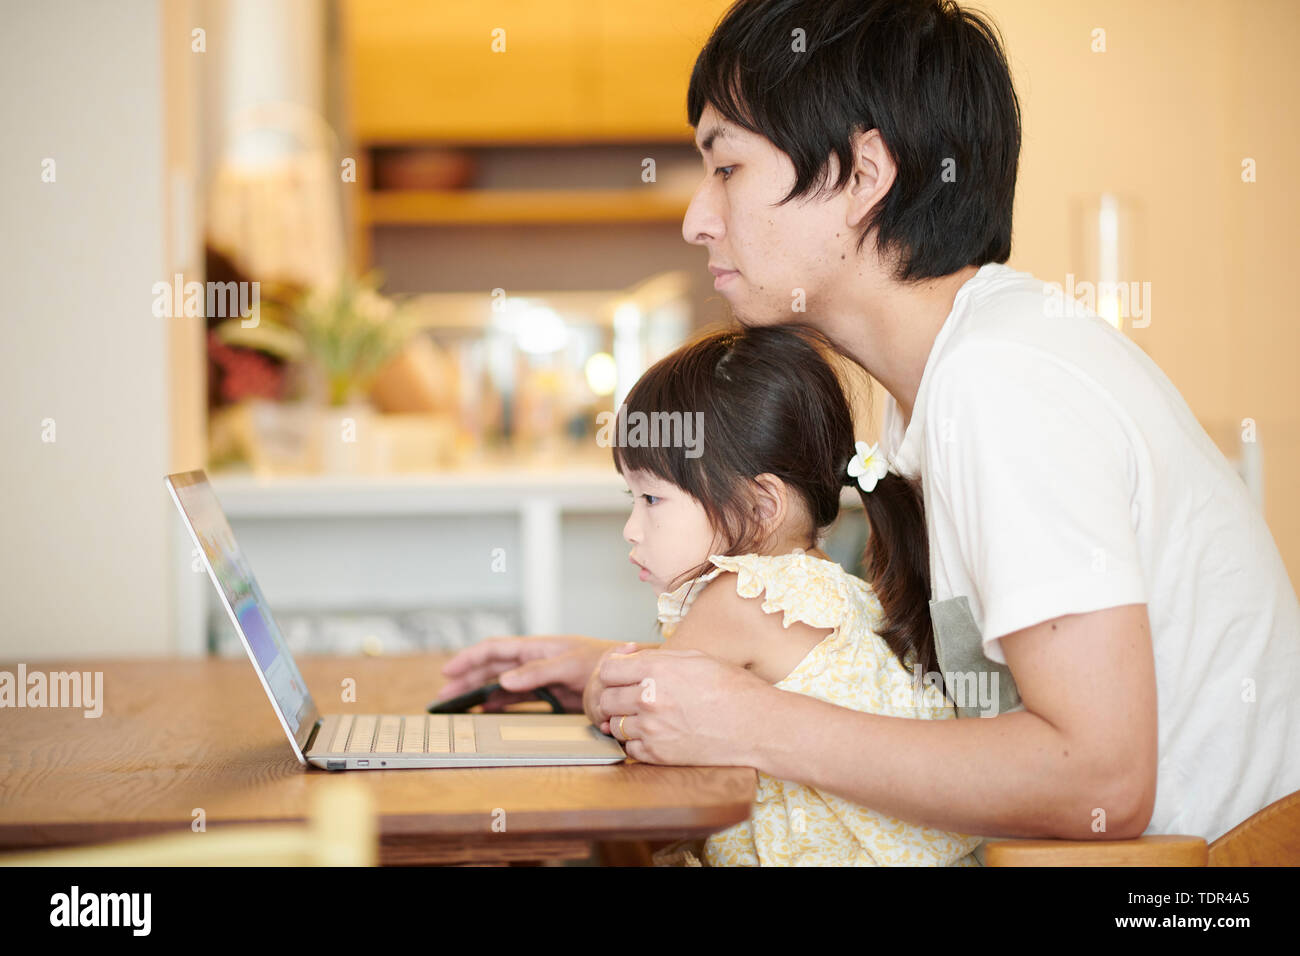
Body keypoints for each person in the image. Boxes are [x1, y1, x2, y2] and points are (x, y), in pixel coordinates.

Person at [439, 0, 1300, 847]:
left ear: (863, 175)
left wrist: (750, 721)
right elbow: (908, 703)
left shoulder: (1005, 385)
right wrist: (655, 681)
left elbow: (1100, 779)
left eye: (728, 168)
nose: (698, 219)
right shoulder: (942, 382)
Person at [592, 322, 981, 865]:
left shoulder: (741, 596)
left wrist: (596, 688)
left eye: (652, 500)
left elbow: (635, 716)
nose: (632, 528)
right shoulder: (843, 593)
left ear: (761, 506)